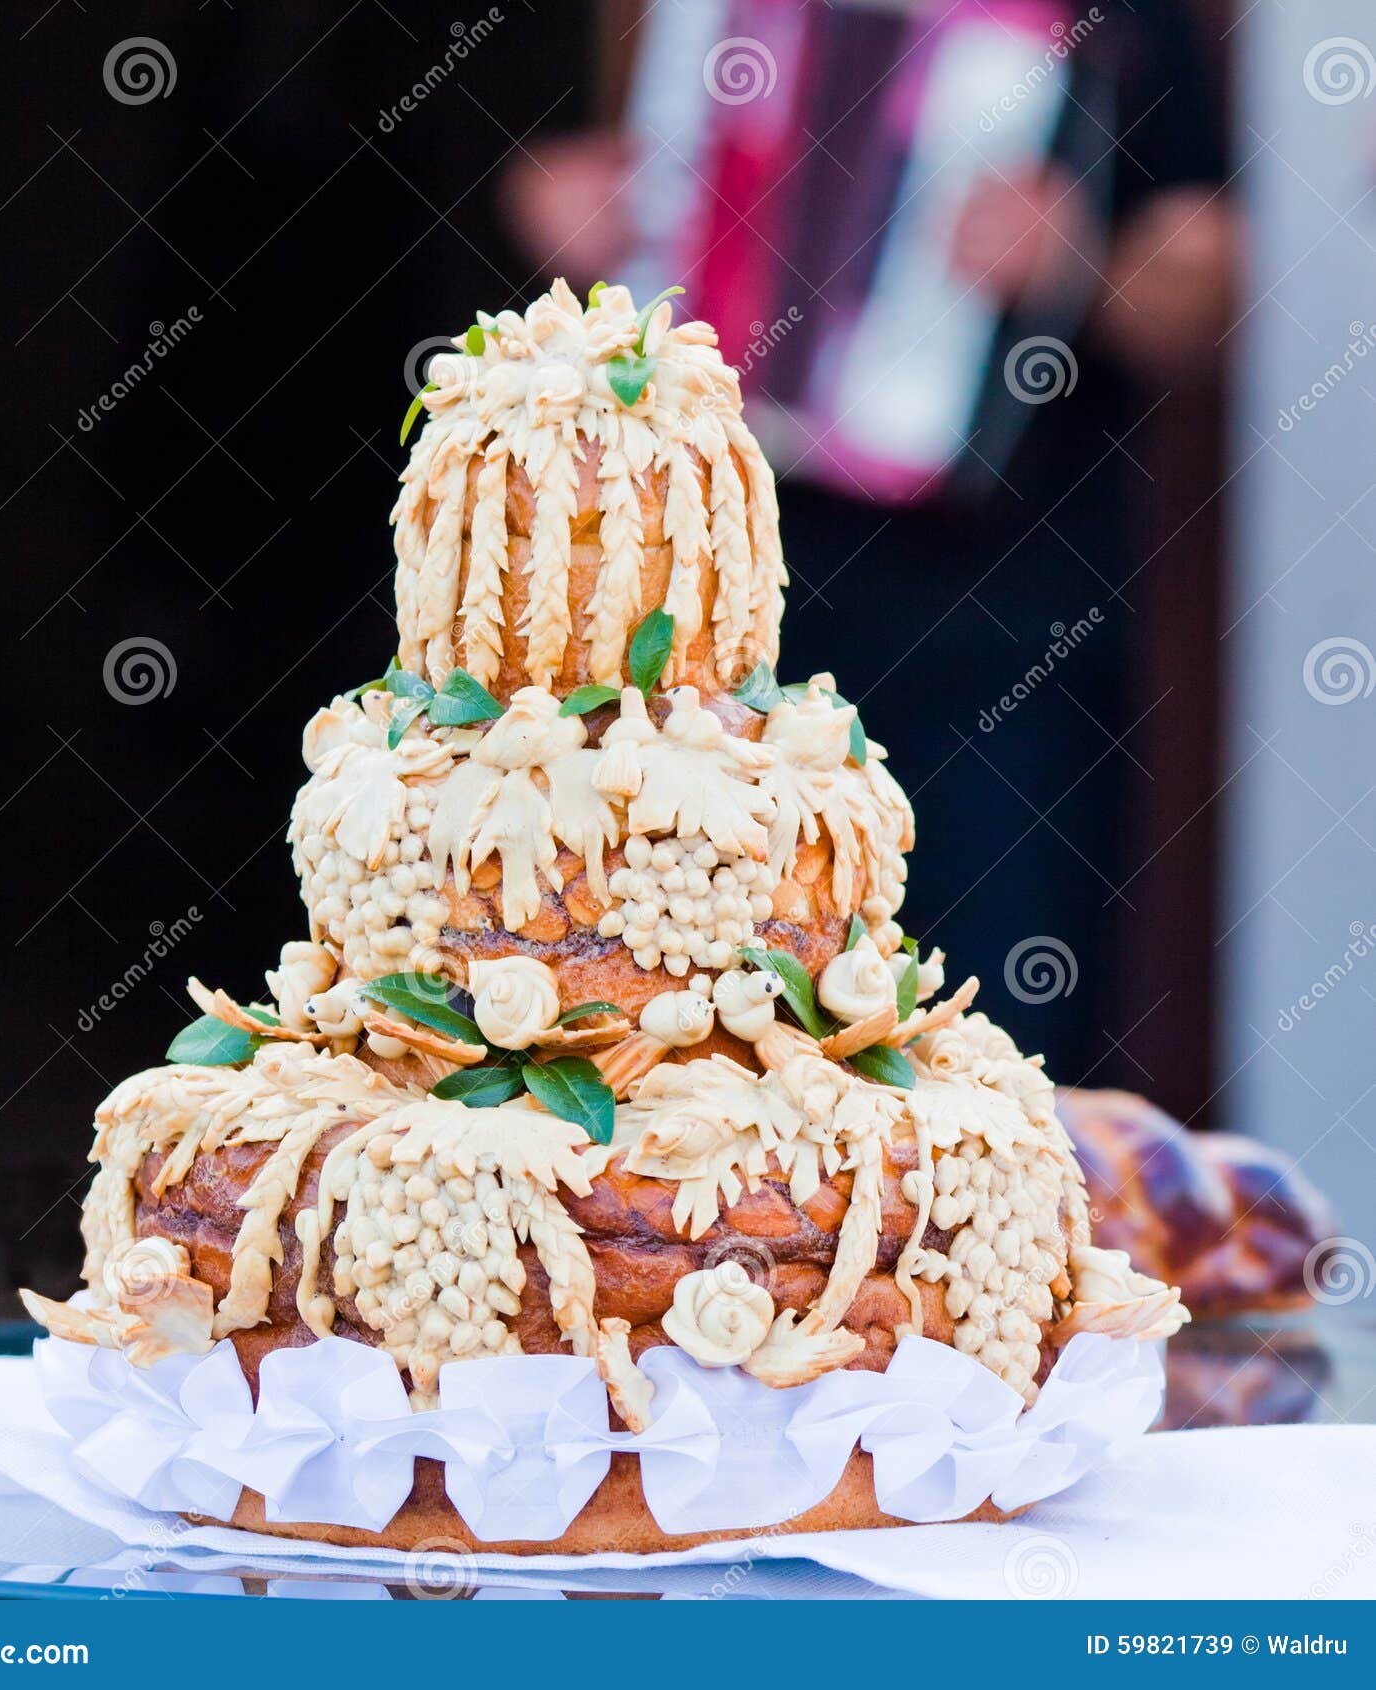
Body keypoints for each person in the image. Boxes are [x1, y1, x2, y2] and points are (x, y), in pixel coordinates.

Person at [501, 0, 1236, 1078]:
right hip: (710, 619)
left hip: (1000, 634)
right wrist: (568, 210)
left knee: (993, 1045)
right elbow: (544, 169)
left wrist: (1078, 260)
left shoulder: (1115, 17)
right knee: (706, 1047)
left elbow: (1215, 278)